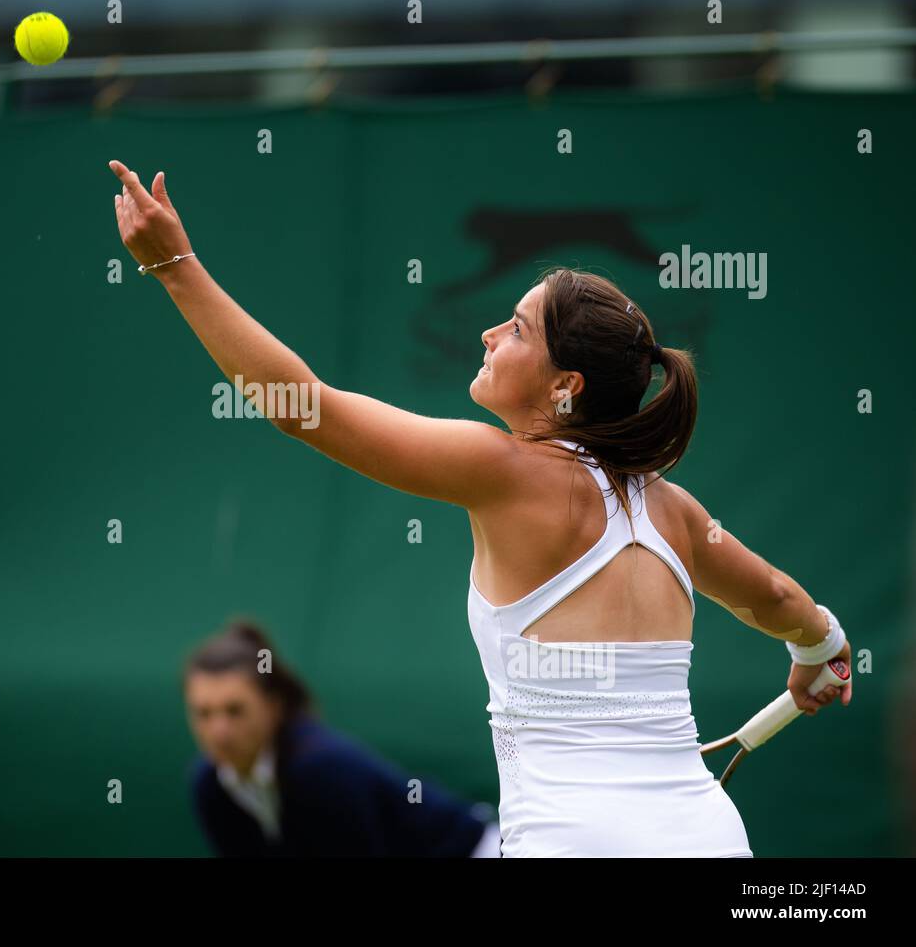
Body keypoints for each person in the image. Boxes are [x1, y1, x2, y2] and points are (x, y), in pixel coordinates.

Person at [109, 160, 852, 857]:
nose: (492, 333)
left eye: (519, 328)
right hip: (710, 839)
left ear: (566, 387)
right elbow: (783, 601)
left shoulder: (502, 468)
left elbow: (305, 409)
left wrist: (176, 268)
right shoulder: (677, 512)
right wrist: (819, 649)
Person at [184, 619, 501, 857]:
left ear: (273, 707)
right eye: (204, 713)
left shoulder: (320, 770)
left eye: (235, 711)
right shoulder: (209, 786)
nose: (219, 731)